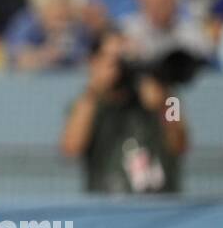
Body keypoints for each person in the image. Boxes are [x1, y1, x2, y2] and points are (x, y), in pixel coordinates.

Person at [60, 31, 189, 194]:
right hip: (109, 207)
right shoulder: (86, 102)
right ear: (94, 63)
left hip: (160, 205)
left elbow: (181, 145)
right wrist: (95, 91)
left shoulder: (171, 99)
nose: (122, 69)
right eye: (114, 61)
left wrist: (163, 103)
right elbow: (70, 149)